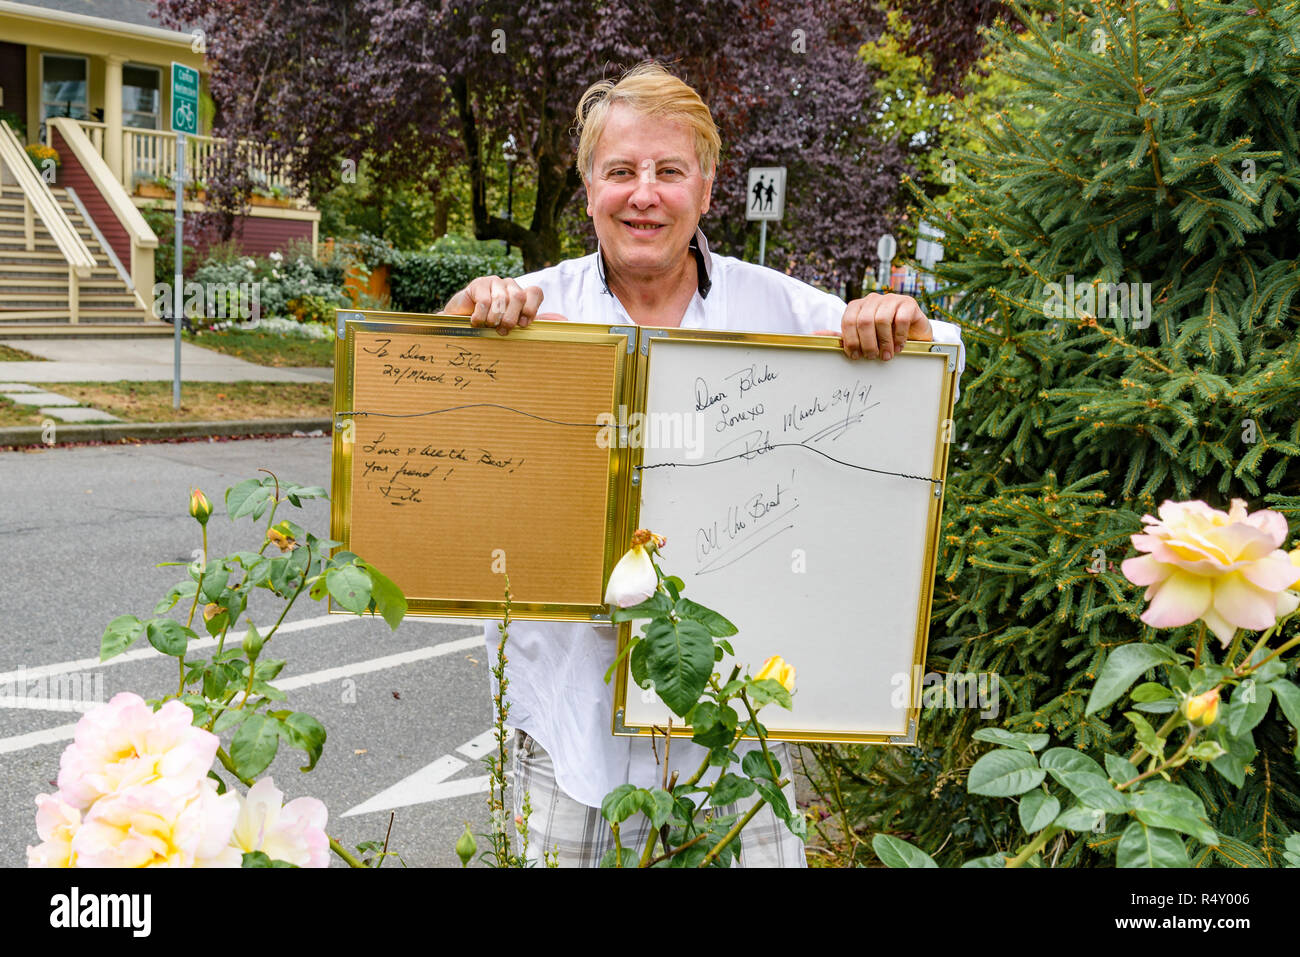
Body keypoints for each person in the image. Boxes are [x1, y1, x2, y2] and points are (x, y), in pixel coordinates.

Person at [444, 61, 964, 867]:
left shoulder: (785, 314)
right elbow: (424, 409)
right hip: (570, 741)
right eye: (620, 171)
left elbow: (926, 376)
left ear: (708, 190)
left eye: (668, 171)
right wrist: (458, 327)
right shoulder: (528, 314)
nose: (642, 193)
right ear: (588, 190)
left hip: (735, 739)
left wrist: (900, 321)